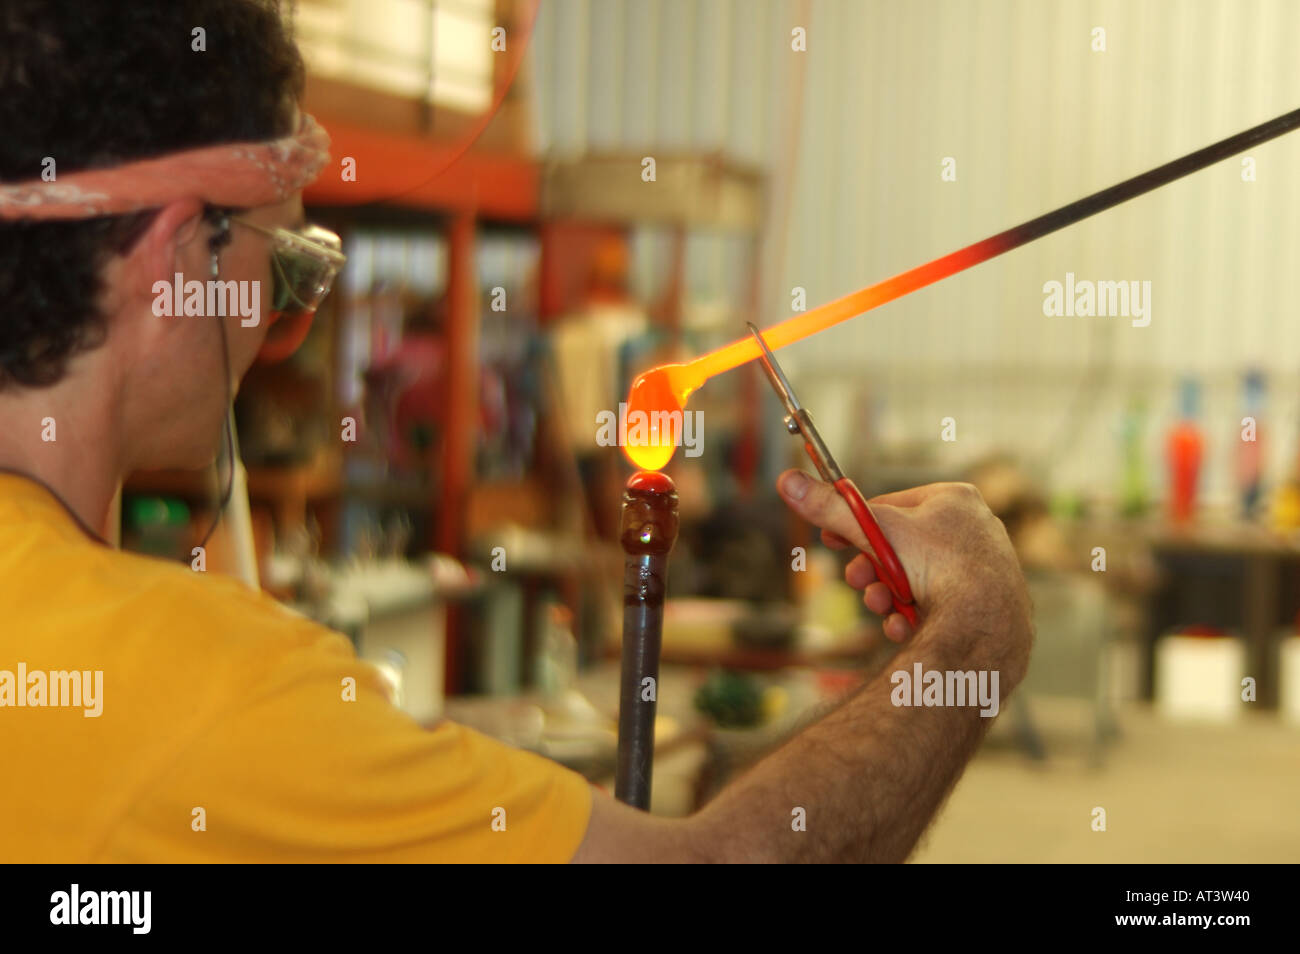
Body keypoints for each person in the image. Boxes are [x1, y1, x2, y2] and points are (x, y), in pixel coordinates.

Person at [0, 0, 1032, 863]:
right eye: (284, 269)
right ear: (178, 252)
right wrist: (976, 633)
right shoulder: (198, 693)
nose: (276, 331)